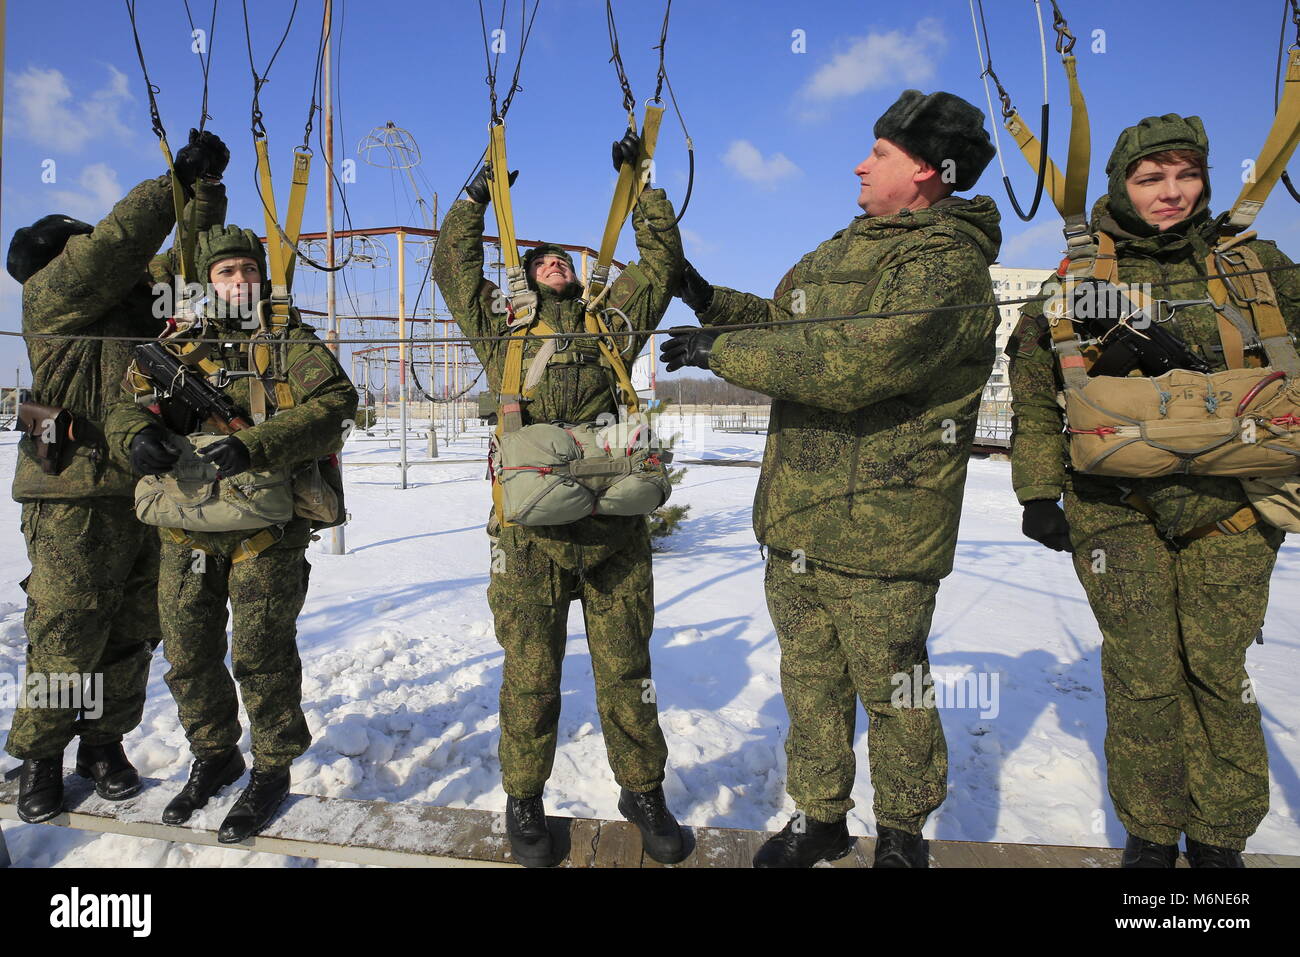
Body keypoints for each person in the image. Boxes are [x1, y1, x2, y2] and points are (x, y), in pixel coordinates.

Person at [662, 90, 1000, 868]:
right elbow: (787, 328)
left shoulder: (945, 266)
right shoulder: (841, 249)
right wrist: (703, 297)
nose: (859, 162)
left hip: (884, 530)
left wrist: (721, 352)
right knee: (810, 681)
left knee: (895, 693)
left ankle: (904, 837)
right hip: (800, 517)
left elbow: (855, 364)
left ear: (924, 169)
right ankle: (821, 817)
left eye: (878, 152)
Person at [1007, 114, 1300, 868]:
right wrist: (1039, 492)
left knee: (1216, 669)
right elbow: (1038, 391)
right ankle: (1148, 832)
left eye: (1186, 174)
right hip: (1116, 511)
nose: (1171, 192)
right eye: (1150, 177)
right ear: (1120, 184)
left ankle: (1219, 838)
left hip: (1233, 508)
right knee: (1141, 673)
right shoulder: (1077, 277)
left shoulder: (1256, 265)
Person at [432, 135, 686, 867]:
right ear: (526, 276)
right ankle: (524, 795)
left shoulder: (610, 325)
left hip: (612, 531)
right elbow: (454, 266)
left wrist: (640, 186)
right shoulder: (502, 329)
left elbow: (661, 266)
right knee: (531, 676)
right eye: (543, 260)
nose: (557, 265)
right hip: (529, 540)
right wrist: (478, 193)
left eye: (565, 260)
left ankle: (643, 789)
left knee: (627, 672)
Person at [5, 130, 229, 823]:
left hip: (143, 485)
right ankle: (40, 754)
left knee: (136, 624)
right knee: (67, 626)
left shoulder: (134, 302)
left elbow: (186, 254)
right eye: (84, 245)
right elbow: (114, 248)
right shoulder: (55, 296)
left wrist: (201, 192)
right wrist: (172, 177)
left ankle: (103, 743)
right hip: (70, 489)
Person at [107, 224, 358, 843]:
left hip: (265, 535)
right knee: (188, 653)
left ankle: (272, 769)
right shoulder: (176, 343)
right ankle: (215, 752)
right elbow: (123, 405)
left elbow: (335, 405)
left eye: (249, 270)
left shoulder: (287, 341)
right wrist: (133, 436)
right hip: (187, 531)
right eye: (226, 272)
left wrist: (254, 444)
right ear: (206, 282)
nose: (239, 281)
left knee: (261, 656)